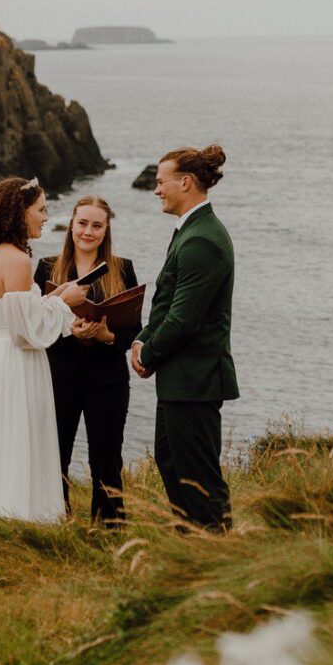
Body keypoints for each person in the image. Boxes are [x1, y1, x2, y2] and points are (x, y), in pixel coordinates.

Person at [0, 176, 107, 521]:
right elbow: (26, 333)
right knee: (20, 436)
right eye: (41, 210)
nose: (45, 217)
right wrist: (65, 302)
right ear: (19, 212)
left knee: (0, 436)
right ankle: (23, 515)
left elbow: (15, 315)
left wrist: (55, 297)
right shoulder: (18, 261)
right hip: (18, 360)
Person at [130, 144, 238, 530]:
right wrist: (143, 338)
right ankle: (190, 547)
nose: (156, 189)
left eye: (161, 182)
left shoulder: (203, 239)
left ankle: (214, 553)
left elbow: (184, 319)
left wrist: (148, 354)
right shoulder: (190, 231)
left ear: (185, 182)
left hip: (196, 380)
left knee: (199, 478)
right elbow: (168, 303)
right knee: (171, 462)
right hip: (180, 380)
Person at [35, 195, 139, 524]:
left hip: (107, 378)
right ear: (71, 226)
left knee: (107, 459)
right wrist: (70, 331)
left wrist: (107, 337)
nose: (88, 232)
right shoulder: (48, 268)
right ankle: (54, 521)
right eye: (82, 223)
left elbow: (134, 328)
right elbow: (35, 328)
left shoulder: (122, 268)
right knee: (55, 455)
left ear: (106, 230)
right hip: (58, 376)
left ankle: (109, 530)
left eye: (97, 225)